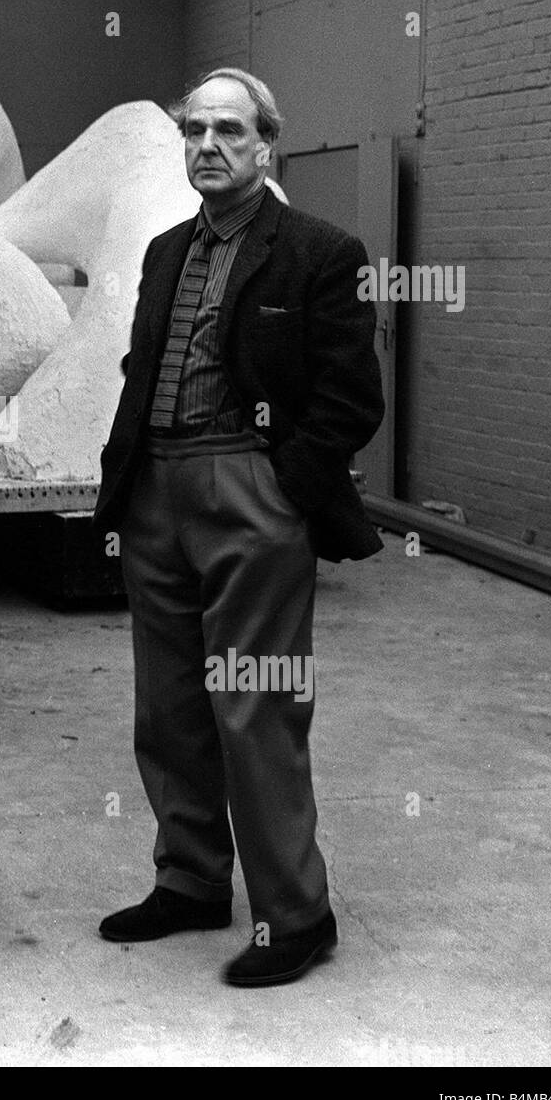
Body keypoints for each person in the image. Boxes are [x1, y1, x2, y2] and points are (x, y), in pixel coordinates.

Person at [92, 68, 385, 987]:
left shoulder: (319, 252)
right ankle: (188, 880)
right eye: (194, 131)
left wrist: (282, 490)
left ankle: (296, 917)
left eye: (229, 130)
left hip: (249, 494)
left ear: (267, 145)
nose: (207, 146)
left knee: (253, 705)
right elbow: (144, 371)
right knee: (168, 704)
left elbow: (349, 398)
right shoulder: (163, 252)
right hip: (157, 495)